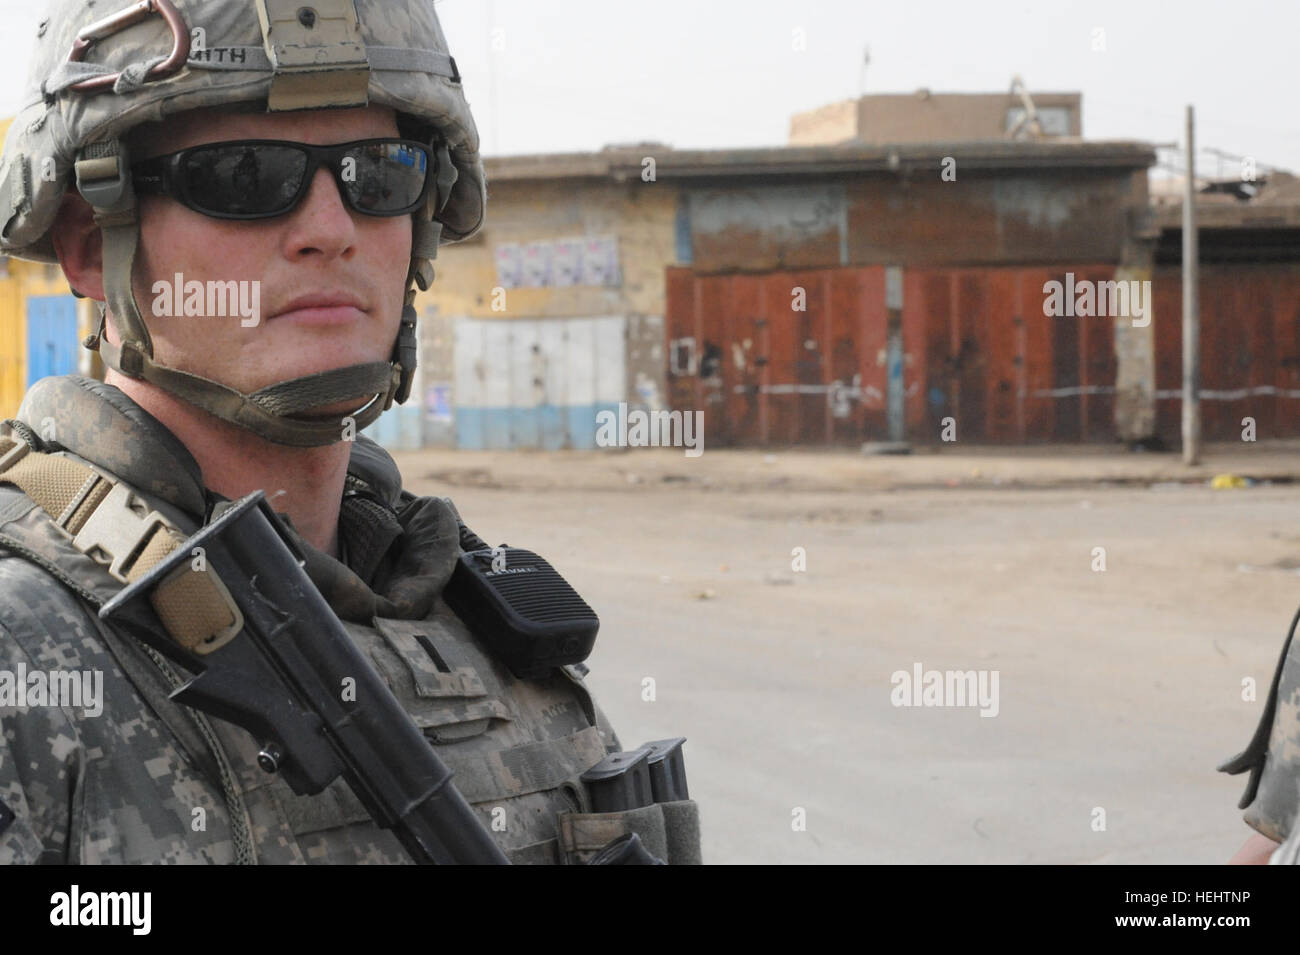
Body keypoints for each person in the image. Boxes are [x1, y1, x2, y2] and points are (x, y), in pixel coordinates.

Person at [0, 0, 700, 864]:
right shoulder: (25, 649)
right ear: (85, 240)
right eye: (245, 175)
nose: (331, 230)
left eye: (381, 173)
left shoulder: (487, 622)